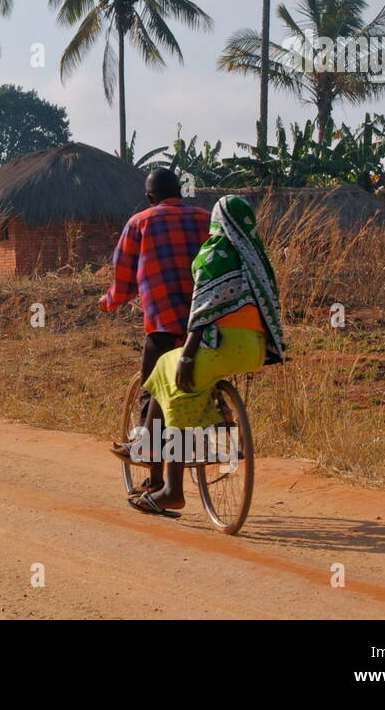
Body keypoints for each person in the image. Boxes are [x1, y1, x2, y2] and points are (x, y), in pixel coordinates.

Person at [125, 194, 286, 517]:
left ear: (219, 221)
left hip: (220, 344)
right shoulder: (256, 257)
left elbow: (203, 307)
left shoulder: (216, 252)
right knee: (198, 381)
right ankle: (219, 431)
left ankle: (168, 486)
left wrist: (186, 353)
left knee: (166, 375)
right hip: (254, 349)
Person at [99, 168, 211, 493]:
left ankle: (156, 480)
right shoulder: (206, 218)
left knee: (153, 390)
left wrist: (108, 303)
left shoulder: (141, 222)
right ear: (181, 191)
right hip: (207, 323)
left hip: (165, 321)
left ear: (150, 197)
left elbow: (123, 282)